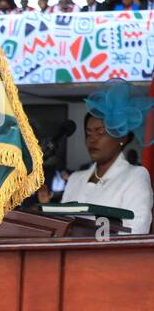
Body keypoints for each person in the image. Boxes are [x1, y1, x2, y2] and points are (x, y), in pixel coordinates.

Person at [54, 84, 153, 234]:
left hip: (111, 257)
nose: (92, 140)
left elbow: (136, 232)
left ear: (122, 137)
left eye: (100, 133)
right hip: (70, 256)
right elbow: (61, 227)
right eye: (88, 133)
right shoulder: (75, 178)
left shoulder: (135, 176)